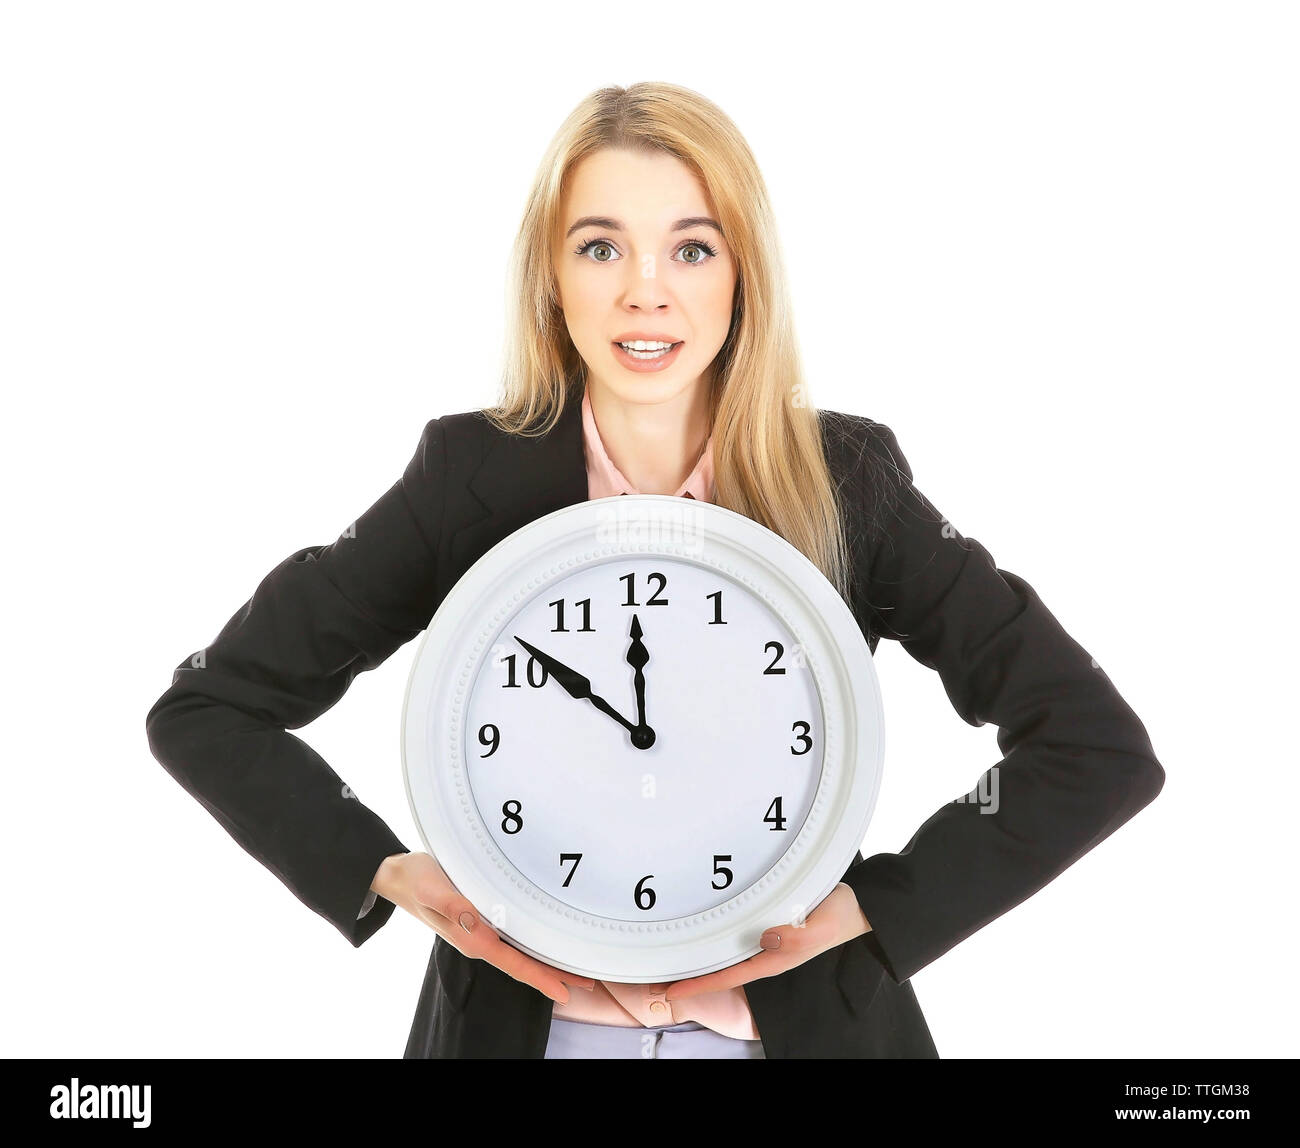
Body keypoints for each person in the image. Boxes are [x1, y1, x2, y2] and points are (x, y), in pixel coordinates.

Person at [145, 82, 1165, 1059]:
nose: (645, 289)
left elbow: (1090, 746)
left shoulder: (847, 482)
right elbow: (212, 705)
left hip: (795, 1032)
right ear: (552, 275)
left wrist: (875, 907)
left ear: (741, 272)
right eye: (600, 246)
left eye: (690, 246)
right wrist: (381, 870)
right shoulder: (469, 476)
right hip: (527, 1029)